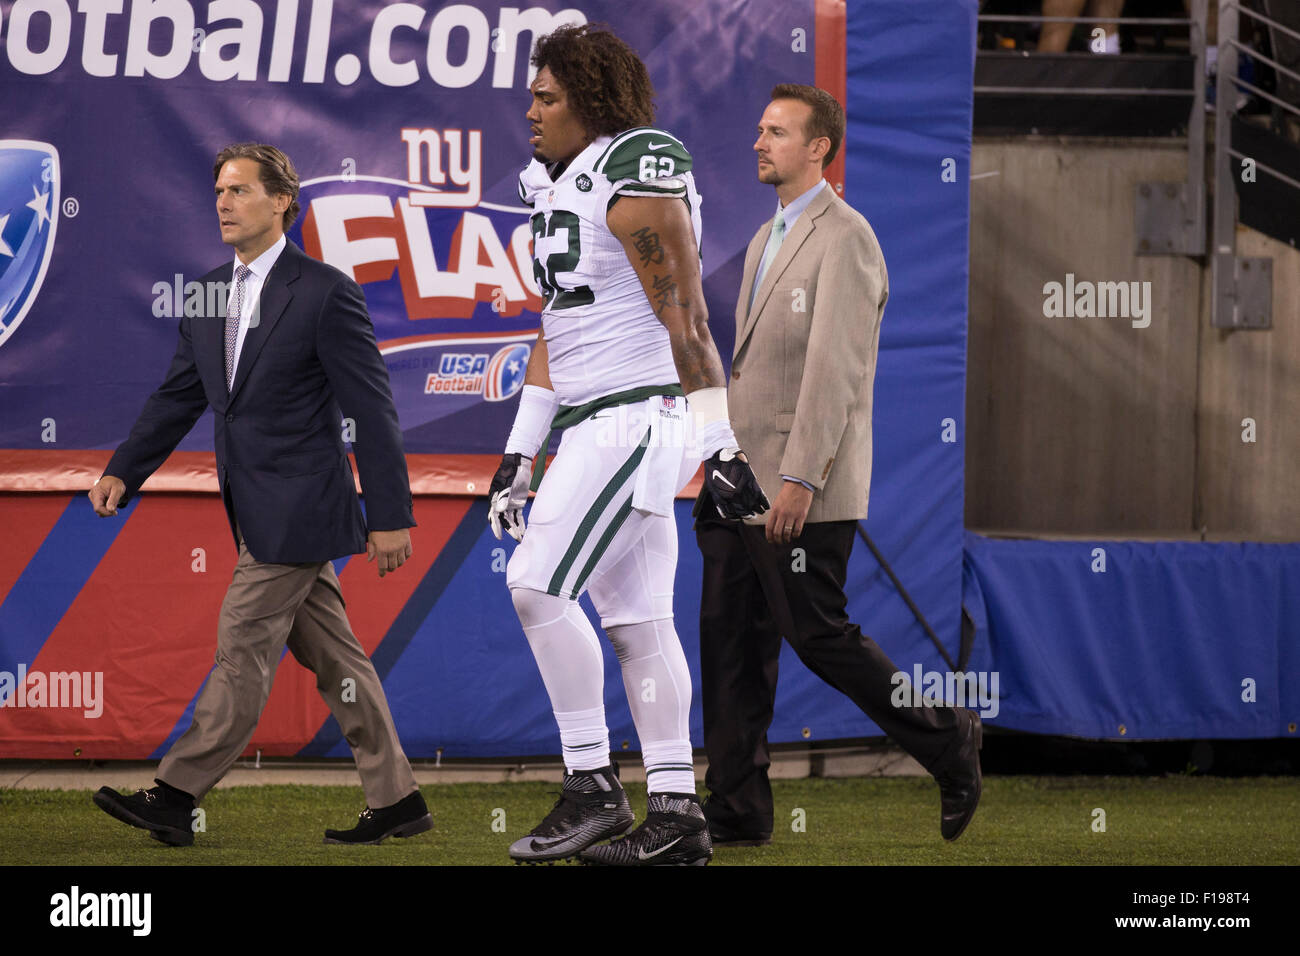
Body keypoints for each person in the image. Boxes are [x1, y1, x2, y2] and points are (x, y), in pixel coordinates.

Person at [87, 143, 430, 847]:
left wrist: (389, 516)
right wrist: (126, 466)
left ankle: (174, 794)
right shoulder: (208, 291)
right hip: (252, 509)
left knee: (241, 647)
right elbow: (180, 395)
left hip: (301, 509)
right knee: (338, 661)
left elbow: (372, 409)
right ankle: (397, 800)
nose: (223, 201)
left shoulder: (326, 290)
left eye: (240, 190)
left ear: (281, 201)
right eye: (218, 189)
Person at [488, 24, 768, 867]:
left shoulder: (634, 164)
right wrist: (518, 452)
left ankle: (591, 782)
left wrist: (721, 446)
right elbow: (555, 329)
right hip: (588, 415)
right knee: (639, 625)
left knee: (535, 586)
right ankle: (678, 811)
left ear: (591, 100)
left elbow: (685, 313)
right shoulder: (561, 184)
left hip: (633, 413)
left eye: (547, 97)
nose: (530, 112)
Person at [693, 85, 983, 848]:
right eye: (758, 128)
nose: (759, 141)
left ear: (819, 147)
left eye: (777, 131)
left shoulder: (847, 236)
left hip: (795, 485)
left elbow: (834, 368)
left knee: (818, 636)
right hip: (733, 481)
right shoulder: (765, 238)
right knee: (728, 645)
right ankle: (737, 808)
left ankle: (947, 738)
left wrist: (802, 476)